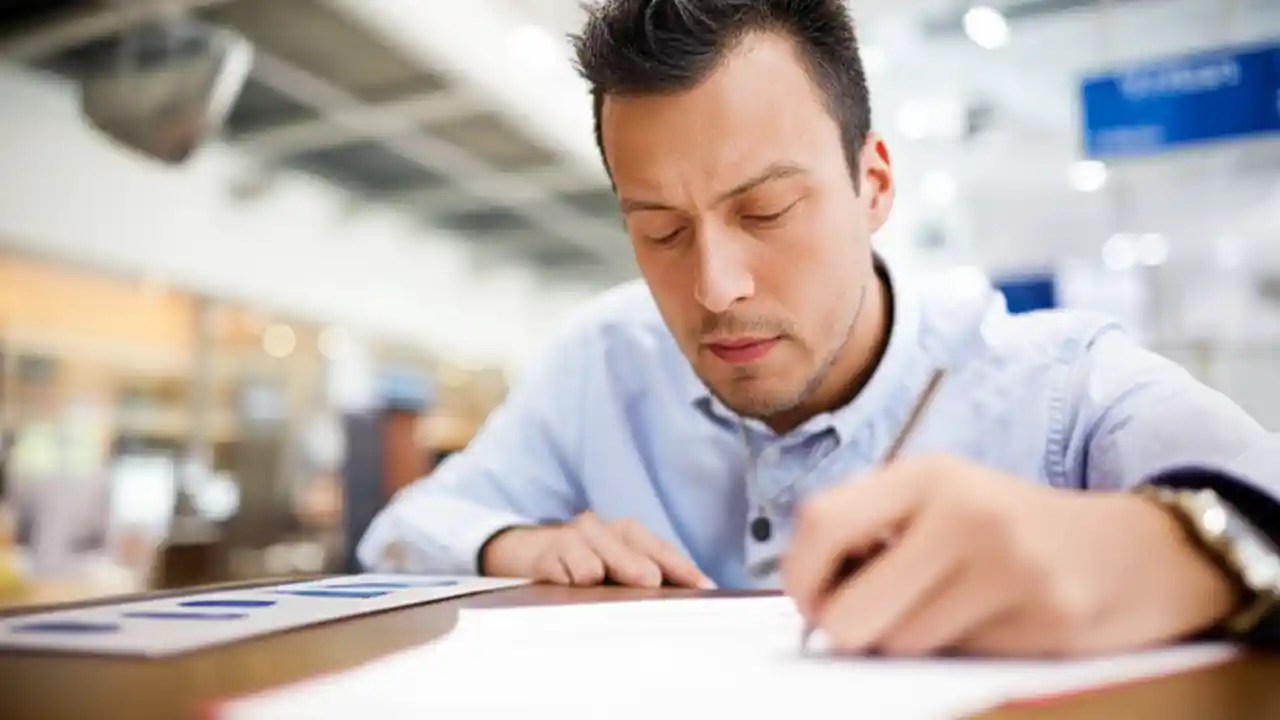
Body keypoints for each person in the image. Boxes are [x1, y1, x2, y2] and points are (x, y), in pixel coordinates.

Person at [360, 0, 1280, 655]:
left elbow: (1258, 497)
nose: (715, 287)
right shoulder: (598, 358)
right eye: (661, 231)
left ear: (873, 184)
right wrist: (516, 545)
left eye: (765, 212)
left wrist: (1175, 555)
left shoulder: (1057, 382)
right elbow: (405, 531)